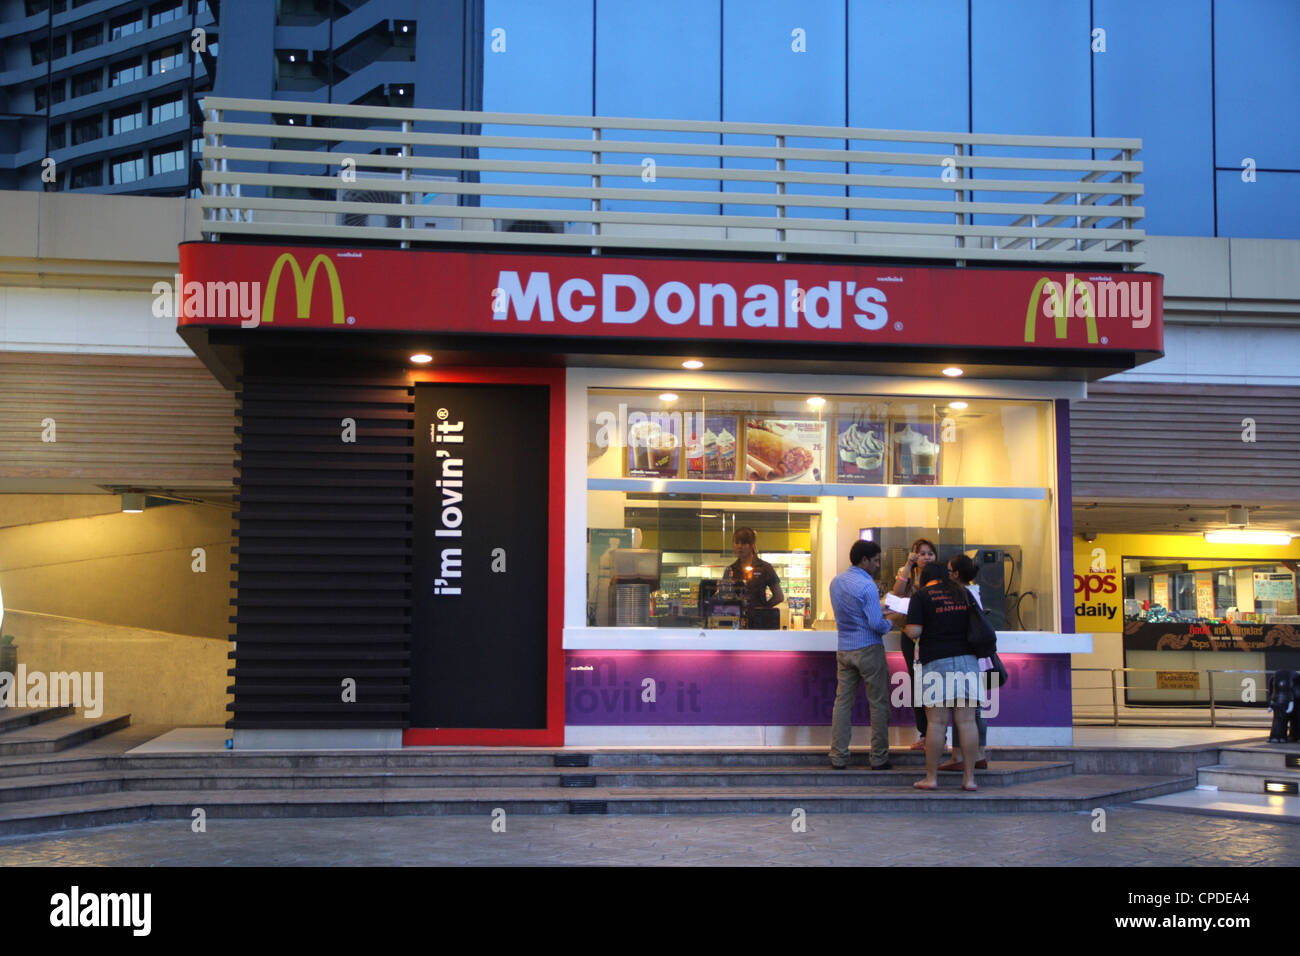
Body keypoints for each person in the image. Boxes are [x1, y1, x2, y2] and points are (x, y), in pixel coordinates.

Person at [906, 562, 983, 792]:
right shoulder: (963, 592)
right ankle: (969, 779)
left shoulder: (922, 596)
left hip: (936, 662)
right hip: (967, 661)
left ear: (925, 576)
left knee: (936, 723)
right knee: (967, 722)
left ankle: (932, 778)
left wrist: (902, 625)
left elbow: (915, 631)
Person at [827, 540, 894, 770]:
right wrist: (890, 622)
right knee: (878, 704)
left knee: (842, 703)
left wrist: (878, 611)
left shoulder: (836, 582)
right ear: (864, 560)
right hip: (868, 649)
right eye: (875, 560)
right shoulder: (867, 586)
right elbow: (875, 623)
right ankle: (879, 757)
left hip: (844, 649)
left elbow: (852, 613)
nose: (877, 565)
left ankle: (838, 756)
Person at [888, 537, 939, 751]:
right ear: (913, 555)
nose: (926, 557)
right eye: (921, 553)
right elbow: (897, 593)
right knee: (918, 685)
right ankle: (925, 734)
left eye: (930, 553)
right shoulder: (908, 573)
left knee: (935, 686)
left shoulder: (939, 574)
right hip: (911, 637)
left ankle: (938, 736)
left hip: (934, 637)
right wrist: (908, 566)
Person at [943, 553, 988, 771]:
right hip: (979, 657)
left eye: (949, 570)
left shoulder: (961, 595)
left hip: (967, 657)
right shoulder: (974, 593)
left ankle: (959, 756)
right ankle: (979, 754)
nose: (947, 574)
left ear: (957, 574)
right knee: (975, 710)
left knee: (964, 711)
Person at [722, 527, 784, 630]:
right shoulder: (730, 569)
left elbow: (779, 596)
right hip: (735, 623)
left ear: (752, 545)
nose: (739, 547)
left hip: (759, 624)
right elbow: (723, 597)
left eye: (744, 543)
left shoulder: (765, 568)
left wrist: (763, 609)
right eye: (737, 543)